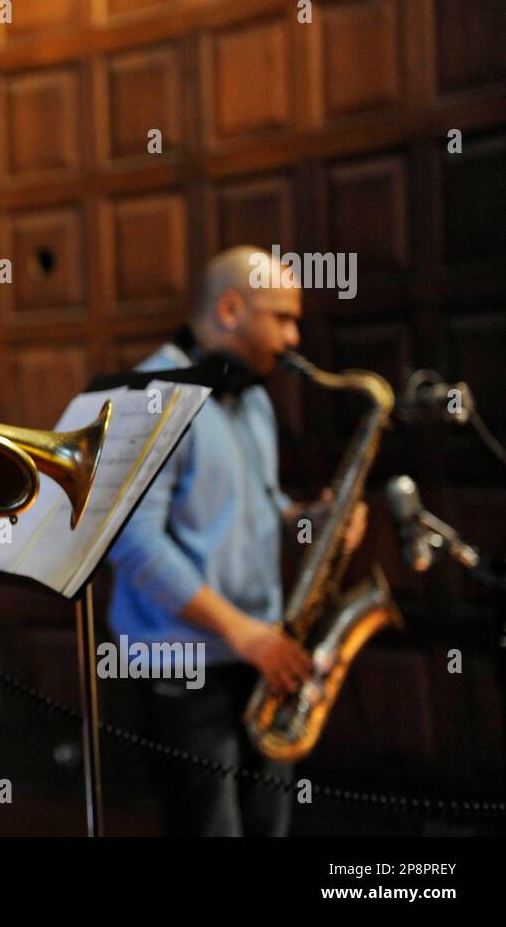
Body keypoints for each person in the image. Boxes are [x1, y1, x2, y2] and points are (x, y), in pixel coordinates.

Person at [106, 245, 367, 837]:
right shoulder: (150, 395)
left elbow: (257, 507)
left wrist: (311, 520)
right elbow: (134, 542)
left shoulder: (252, 399)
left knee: (268, 826)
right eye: (281, 316)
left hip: (261, 656)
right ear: (229, 308)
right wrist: (243, 632)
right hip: (187, 666)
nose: (294, 335)